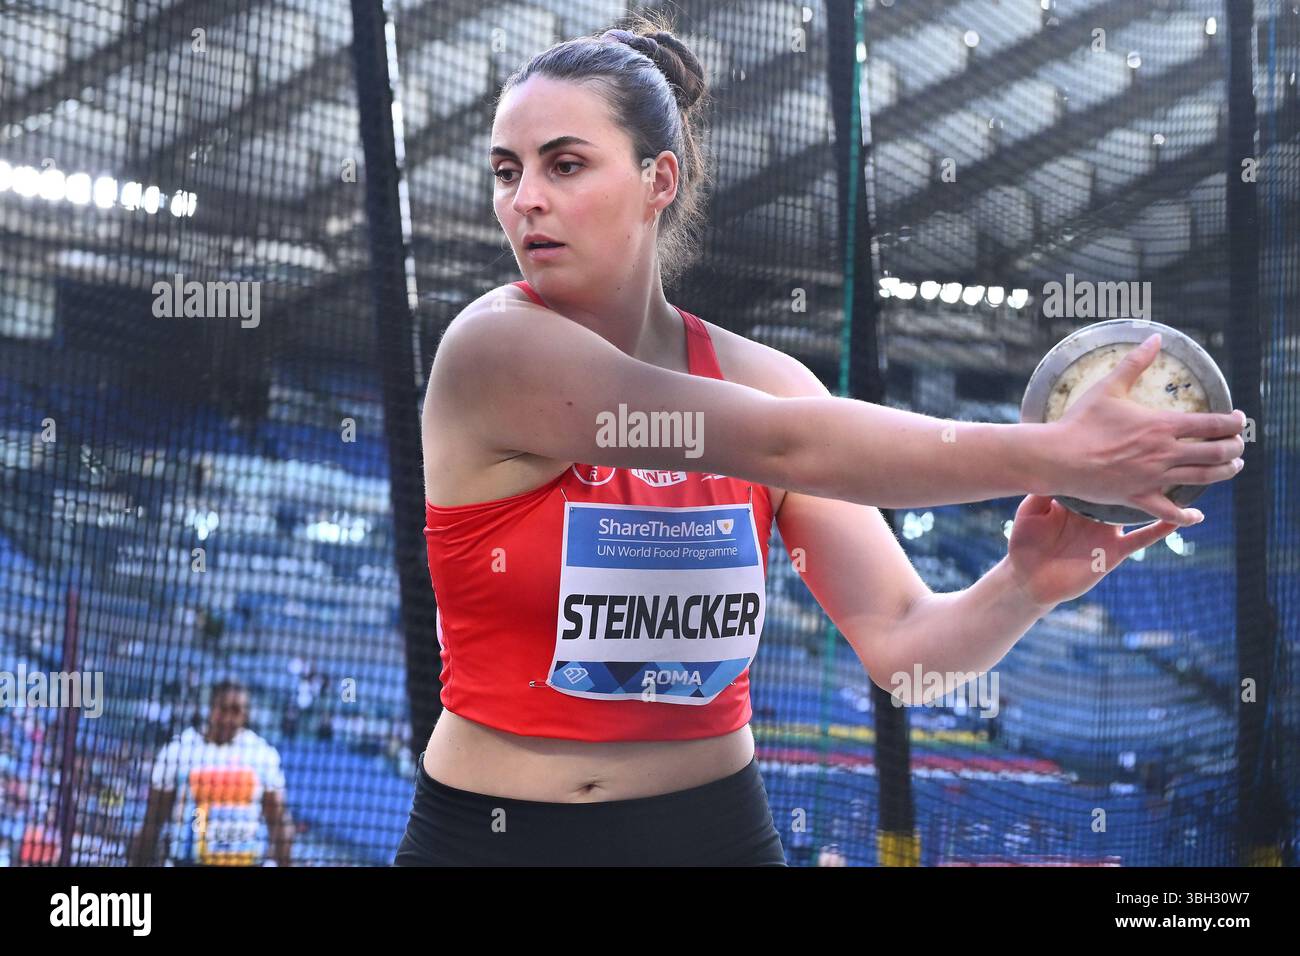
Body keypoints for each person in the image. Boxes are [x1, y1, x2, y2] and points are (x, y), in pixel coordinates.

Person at [395, 11, 1247, 866]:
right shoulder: (492, 351)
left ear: (660, 180)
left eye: (565, 164)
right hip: (496, 839)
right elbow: (783, 447)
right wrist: (1054, 452)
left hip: (715, 835)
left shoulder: (770, 382)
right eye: (507, 172)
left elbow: (906, 646)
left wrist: (1022, 586)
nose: (525, 199)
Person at [130, 680, 292, 866]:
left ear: (245, 715)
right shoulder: (179, 751)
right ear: (211, 708)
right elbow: (153, 822)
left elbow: (279, 822)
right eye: (223, 709)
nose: (228, 719)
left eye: (236, 711)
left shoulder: (262, 755)